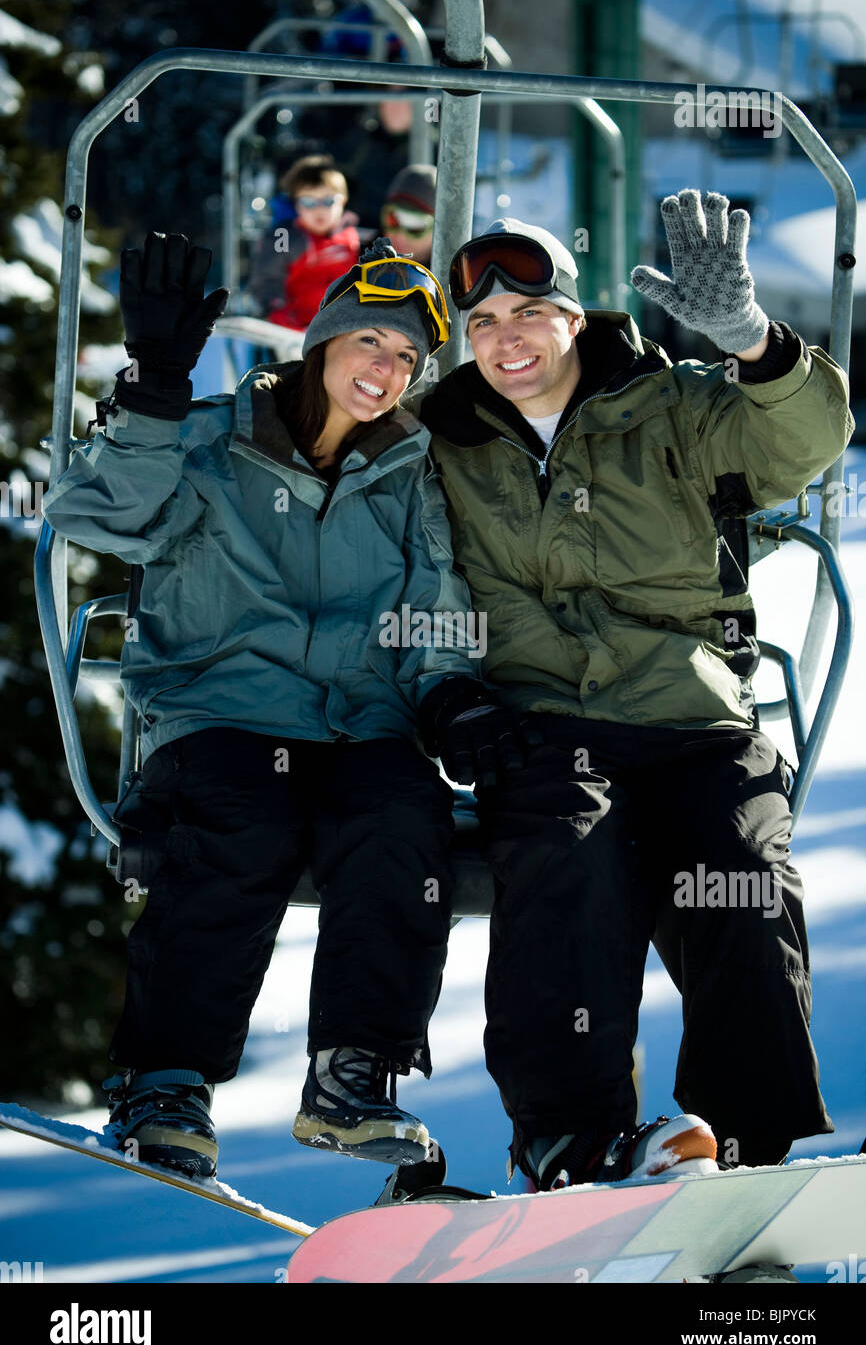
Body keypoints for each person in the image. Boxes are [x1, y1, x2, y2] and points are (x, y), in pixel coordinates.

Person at [416, 193, 853, 1196]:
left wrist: (753, 344)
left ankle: (747, 1153)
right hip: (546, 724)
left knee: (742, 880)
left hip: (693, 717)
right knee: (567, 861)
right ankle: (569, 1137)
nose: (503, 338)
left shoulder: (669, 406)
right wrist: (446, 691)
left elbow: (802, 444)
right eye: (480, 323)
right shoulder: (443, 446)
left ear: (573, 316)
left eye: (525, 313)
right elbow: (389, 565)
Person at [42, 232, 500, 1180]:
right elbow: (96, 515)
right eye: (372, 343)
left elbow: (434, 603)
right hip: (222, 714)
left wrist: (451, 695)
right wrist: (154, 391)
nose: (386, 371)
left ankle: (354, 1075)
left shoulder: (408, 469)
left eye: (407, 360)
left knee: (401, 817)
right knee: (240, 822)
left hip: (360, 722)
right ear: (324, 340)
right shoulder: (210, 441)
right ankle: (166, 1081)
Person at [263, 154, 360, 330]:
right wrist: (276, 309)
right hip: (295, 328)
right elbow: (269, 278)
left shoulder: (352, 237)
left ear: (343, 202)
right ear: (296, 204)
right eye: (308, 202)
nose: (319, 210)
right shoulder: (285, 237)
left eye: (328, 201)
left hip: (342, 325)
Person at [380, 164, 436, 266]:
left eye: (414, 226)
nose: (399, 237)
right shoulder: (359, 262)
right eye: (393, 220)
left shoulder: (460, 277)